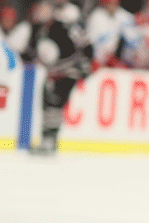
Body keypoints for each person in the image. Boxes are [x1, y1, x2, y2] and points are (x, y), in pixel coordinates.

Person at [25, 0, 92, 155]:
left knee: (55, 104)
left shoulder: (70, 17)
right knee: (47, 103)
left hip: (67, 71)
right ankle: (47, 139)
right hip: (54, 70)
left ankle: (49, 140)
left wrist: (85, 64)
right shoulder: (47, 19)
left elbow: (85, 43)